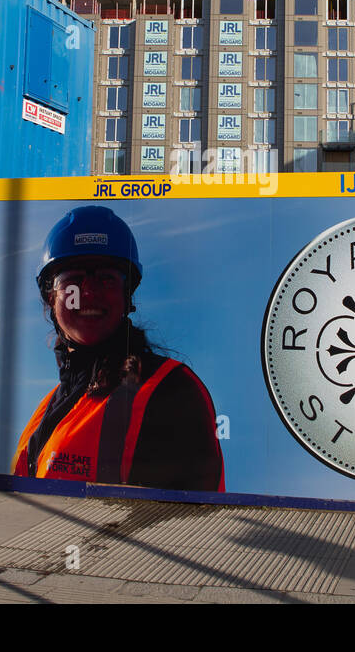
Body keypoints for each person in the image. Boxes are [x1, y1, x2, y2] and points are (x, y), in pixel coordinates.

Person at [13, 206, 224, 491]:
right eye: (73, 279)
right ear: (51, 298)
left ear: (127, 297)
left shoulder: (169, 390)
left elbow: (187, 525)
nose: (88, 293)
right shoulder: (51, 405)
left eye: (106, 279)